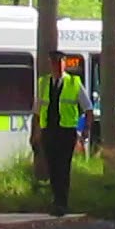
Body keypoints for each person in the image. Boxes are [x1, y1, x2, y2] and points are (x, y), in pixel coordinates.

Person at [31, 50, 94, 216]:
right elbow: (37, 111)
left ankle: (62, 203)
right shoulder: (43, 83)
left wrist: (86, 130)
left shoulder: (74, 82)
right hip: (48, 131)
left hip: (66, 131)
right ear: (50, 64)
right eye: (54, 62)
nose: (57, 66)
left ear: (64, 64)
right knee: (52, 167)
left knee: (63, 167)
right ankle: (56, 201)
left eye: (60, 62)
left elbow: (88, 108)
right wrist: (35, 133)